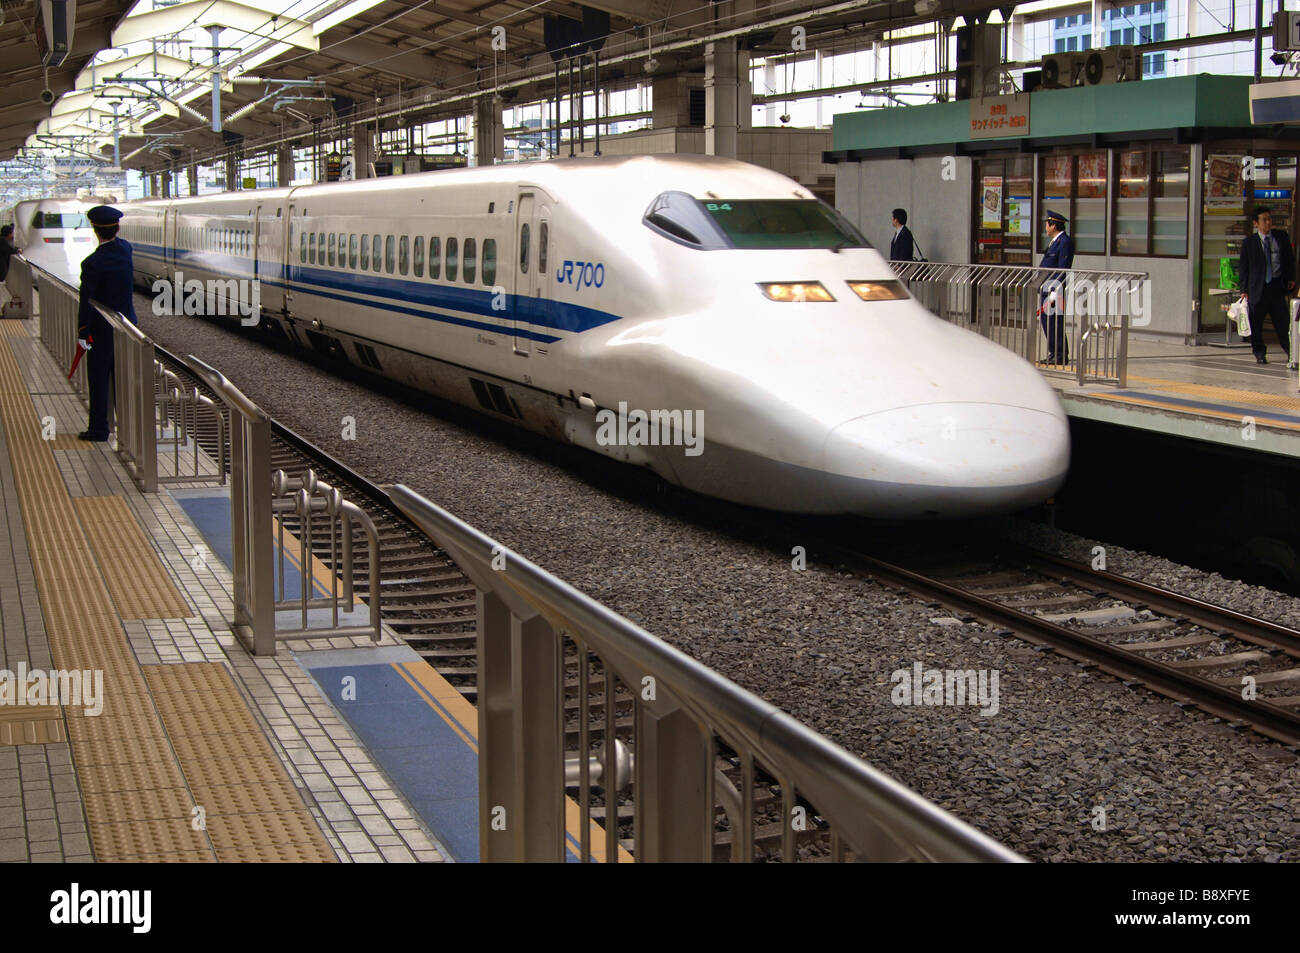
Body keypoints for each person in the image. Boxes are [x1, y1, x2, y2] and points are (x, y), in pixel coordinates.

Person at [77, 205, 138, 441]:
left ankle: (99, 429)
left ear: (95, 229)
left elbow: (87, 303)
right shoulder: (126, 249)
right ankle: (128, 428)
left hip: (102, 333)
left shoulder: (92, 263)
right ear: (118, 228)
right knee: (123, 378)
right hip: (128, 327)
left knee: (99, 379)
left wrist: (83, 332)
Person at [1237, 205, 1294, 365]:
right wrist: (1244, 290)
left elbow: (1289, 260)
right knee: (1256, 324)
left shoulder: (1281, 237)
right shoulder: (1249, 243)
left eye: (1269, 219)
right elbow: (1244, 268)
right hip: (1257, 289)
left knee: (1283, 323)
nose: (1268, 223)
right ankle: (1259, 352)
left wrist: (1291, 278)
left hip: (1276, 287)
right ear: (1256, 223)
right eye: (1264, 220)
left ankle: (1292, 352)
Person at [1039, 209, 1075, 365]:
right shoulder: (1055, 241)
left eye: (1047, 224)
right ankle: (1054, 352)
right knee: (1047, 320)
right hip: (1046, 288)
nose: (1046, 227)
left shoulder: (1065, 242)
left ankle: (1060, 354)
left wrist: (1055, 290)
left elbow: (1062, 268)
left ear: (1053, 225)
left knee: (1055, 321)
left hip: (1054, 289)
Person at [0, 225, 18, 311]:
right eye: (11, 233)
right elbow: (10, 250)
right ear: (8, 234)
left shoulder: (3, 240)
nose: (12, 235)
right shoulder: (2, 241)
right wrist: (18, 251)